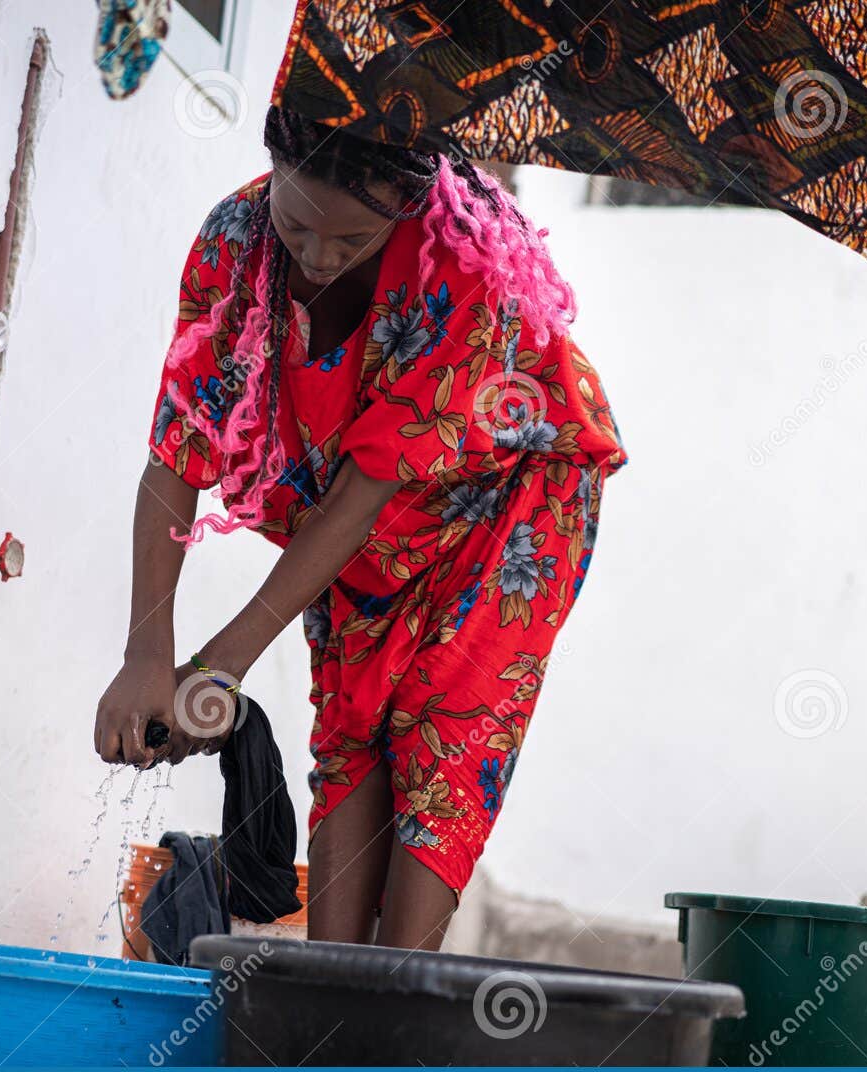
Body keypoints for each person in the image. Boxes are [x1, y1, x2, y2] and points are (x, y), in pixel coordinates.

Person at [95, 106, 624, 951]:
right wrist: (147, 653)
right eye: (299, 221)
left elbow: (362, 490)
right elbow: (178, 446)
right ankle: (326, 1011)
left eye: (353, 239)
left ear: (406, 208)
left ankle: (393, 1012)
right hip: (367, 519)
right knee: (351, 725)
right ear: (274, 166)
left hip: (511, 492)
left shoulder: (464, 264)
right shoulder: (234, 240)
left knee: (445, 727)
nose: (317, 255)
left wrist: (220, 667)